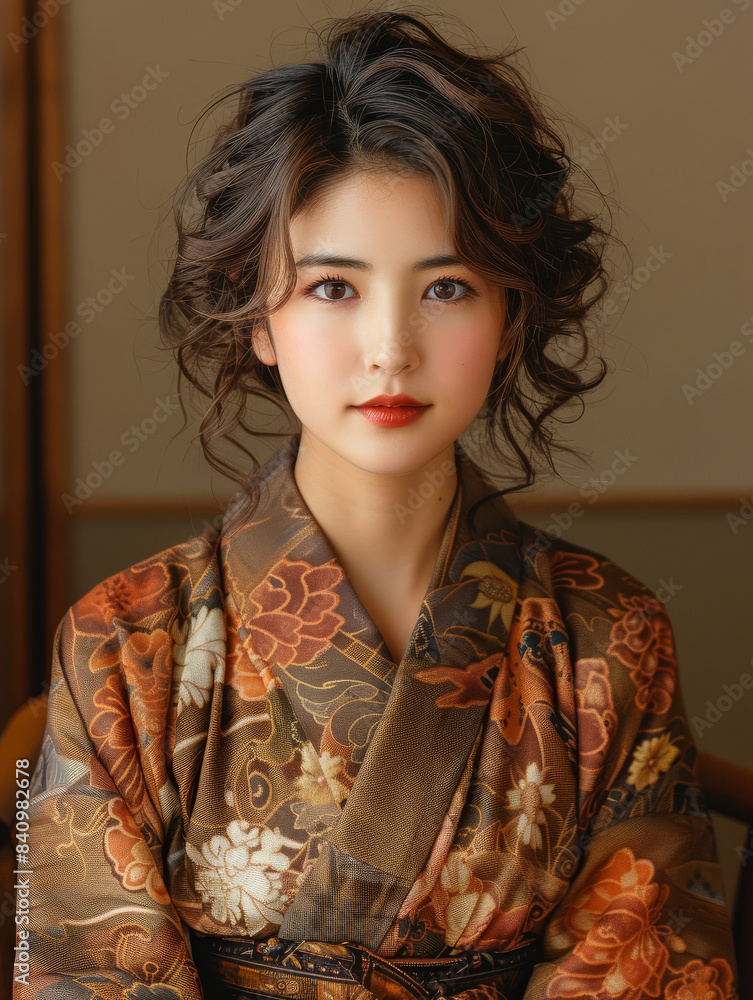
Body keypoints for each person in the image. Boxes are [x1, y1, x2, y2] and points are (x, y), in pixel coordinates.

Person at [16, 8, 739, 999]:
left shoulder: (610, 640)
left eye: (445, 289)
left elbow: (649, 966)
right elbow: (79, 972)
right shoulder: (121, 648)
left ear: (509, 315)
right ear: (258, 319)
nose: (391, 347)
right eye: (332, 290)